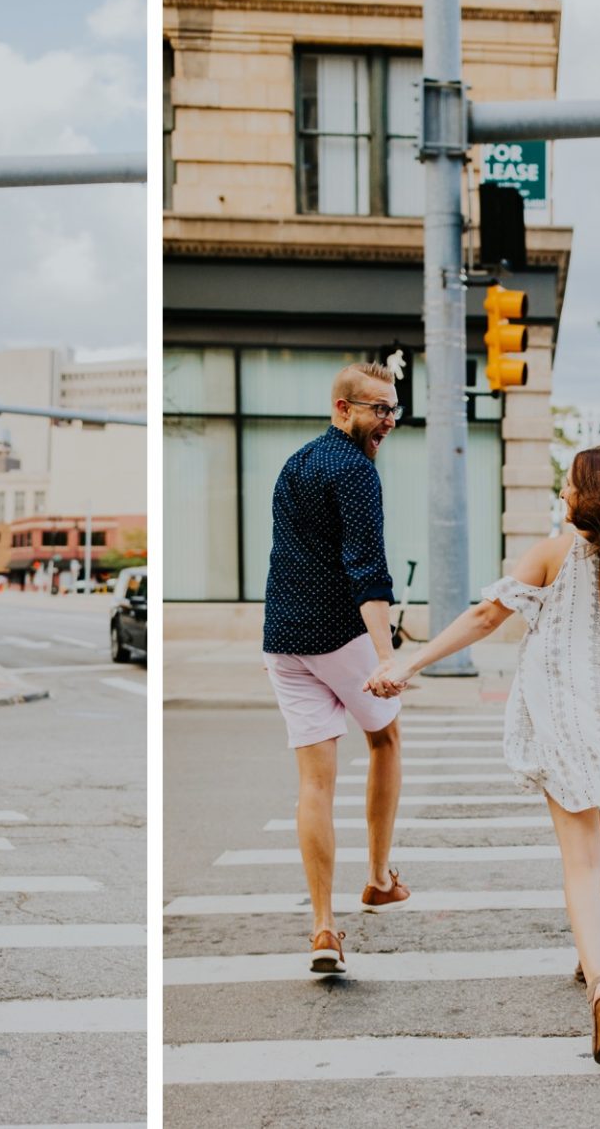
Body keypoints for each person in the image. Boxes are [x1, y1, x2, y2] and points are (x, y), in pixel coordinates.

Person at [367, 445, 600, 1065]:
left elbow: (485, 616)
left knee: (579, 855)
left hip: (562, 718)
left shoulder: (553, 551)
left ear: (586, 493)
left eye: (569, 485)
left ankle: (599, 983)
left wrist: (408, 662)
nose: (564, 494)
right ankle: (588, 953)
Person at [262, 360, 409, 977]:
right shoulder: (356, 472)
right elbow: (366, 571)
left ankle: (324, 927)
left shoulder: (296, 463)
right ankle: (377, 878)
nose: (389, 422)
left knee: (314, 783)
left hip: (283, 639)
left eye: (394, 411)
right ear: (344, 408)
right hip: (336, 633)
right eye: (379, 410)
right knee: (385, 737)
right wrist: (386, 655)